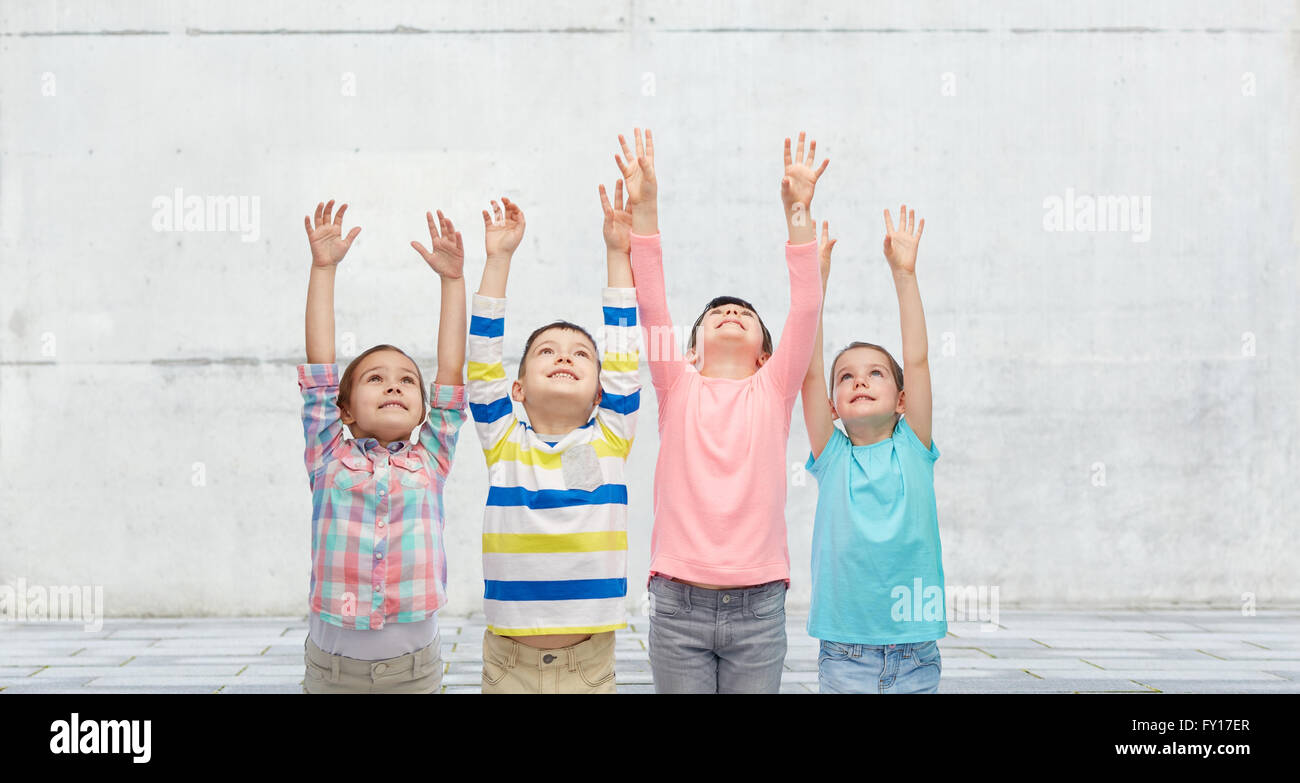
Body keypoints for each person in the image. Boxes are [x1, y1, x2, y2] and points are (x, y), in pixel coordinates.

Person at [621, 128, 826, 692]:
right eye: (715, 312)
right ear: (690, 349)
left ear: (766, 351)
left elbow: (807, 306)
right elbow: (652, 302)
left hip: (760, 608)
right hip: (676, 602)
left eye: (742, 311)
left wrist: (799, 214)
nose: (729, 311)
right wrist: (647, 210)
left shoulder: (775, 388)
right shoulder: (675, 383)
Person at [466, 195, 640, 693]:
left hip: (589, 662)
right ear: (516, 389)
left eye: (581, 354)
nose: (564, 357)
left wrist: (617, 253)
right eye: (546, 351)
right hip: (509, 663)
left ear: (600, 395)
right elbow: (481, 366)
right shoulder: (504, 442)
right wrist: (499, 259)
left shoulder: (609, 436)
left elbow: (624, 355)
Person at [297, 199, 467, 693]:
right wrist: (323, 268)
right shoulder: (328, 453)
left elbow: (452, 373)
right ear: (344, 408)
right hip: (333, 674)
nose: (394, 386)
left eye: (407, 381)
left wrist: (452, 283)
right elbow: (320, 366)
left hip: (414, 673)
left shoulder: (430, 459)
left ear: (424, 407)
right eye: (375, 378)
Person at [800, 208, 946, 693]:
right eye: (847, 377)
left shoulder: (914, 444)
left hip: (915, 651)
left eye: (876, 373)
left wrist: (904, 275)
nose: (859, 379)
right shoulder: (832, 455)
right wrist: (813, 288)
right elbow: (808, 369)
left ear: (902, 400)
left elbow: (919, 360)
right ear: (834, 406)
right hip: (846, 653)